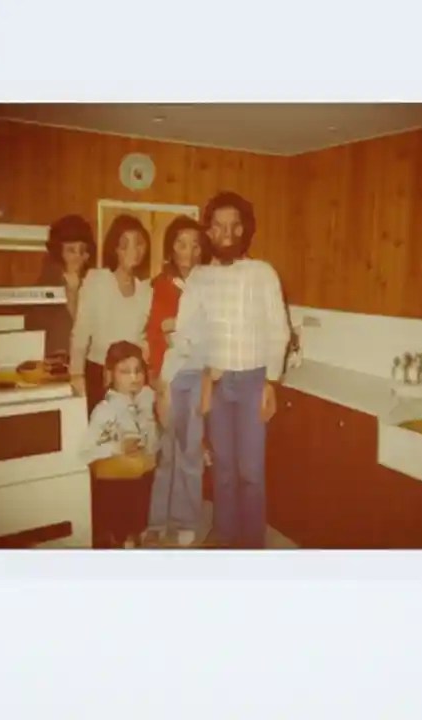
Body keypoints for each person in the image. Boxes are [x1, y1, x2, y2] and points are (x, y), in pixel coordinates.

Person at [177, 191, 289, 549]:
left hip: (255, 381)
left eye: (234, 225)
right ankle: (225, 535)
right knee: (223, 468)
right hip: (218, 382)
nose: (226, 232)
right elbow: (187, 331)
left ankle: (253, 543)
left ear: (244, 230)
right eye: (218, 226)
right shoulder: (199, 278)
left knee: (251, 472)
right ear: (209, 232)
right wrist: (205, 372)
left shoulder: (262, 273)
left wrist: (271, 381)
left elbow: (278, 329)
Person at [143, 215, 210, 547]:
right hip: (169, 377)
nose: (189, 250)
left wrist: (178, 328)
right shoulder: (160, 284)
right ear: (172, 247)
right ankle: (157, 520)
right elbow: (158, 333)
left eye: (196, 244)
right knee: (165, 451)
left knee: (190, 449)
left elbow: (206, 335)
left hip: (197, 375)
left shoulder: (209, 283)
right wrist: (157, 379)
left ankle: (185, 519)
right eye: (182, 243)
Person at [70, 213, 153, 415]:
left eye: (139, 244)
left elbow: (144, 337)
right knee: (104, 438)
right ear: (115, 249)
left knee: (131, 440)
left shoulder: (146, 290)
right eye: (125, 245)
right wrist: (76, 373)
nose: (134, 251)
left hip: (132, 377)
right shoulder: (97, 280)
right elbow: (81, 331)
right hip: (99, 374)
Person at [79, 341, 159, 549]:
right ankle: (122, 538)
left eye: (138, 371)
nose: (134, 378)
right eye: (125, 372)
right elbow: (85, 453)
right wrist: (117, 448)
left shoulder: (147, 400)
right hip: (117, 486)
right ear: (110, 375)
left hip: (144, 478)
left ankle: (139, 533)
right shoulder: (104, 411)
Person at [28, 214, 95, 358]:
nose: (78, 257)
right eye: (71, 250)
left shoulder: (92, 285)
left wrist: (74, 292)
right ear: (58, 252)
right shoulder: (45, 288)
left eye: (82, 250)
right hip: (52, 368)